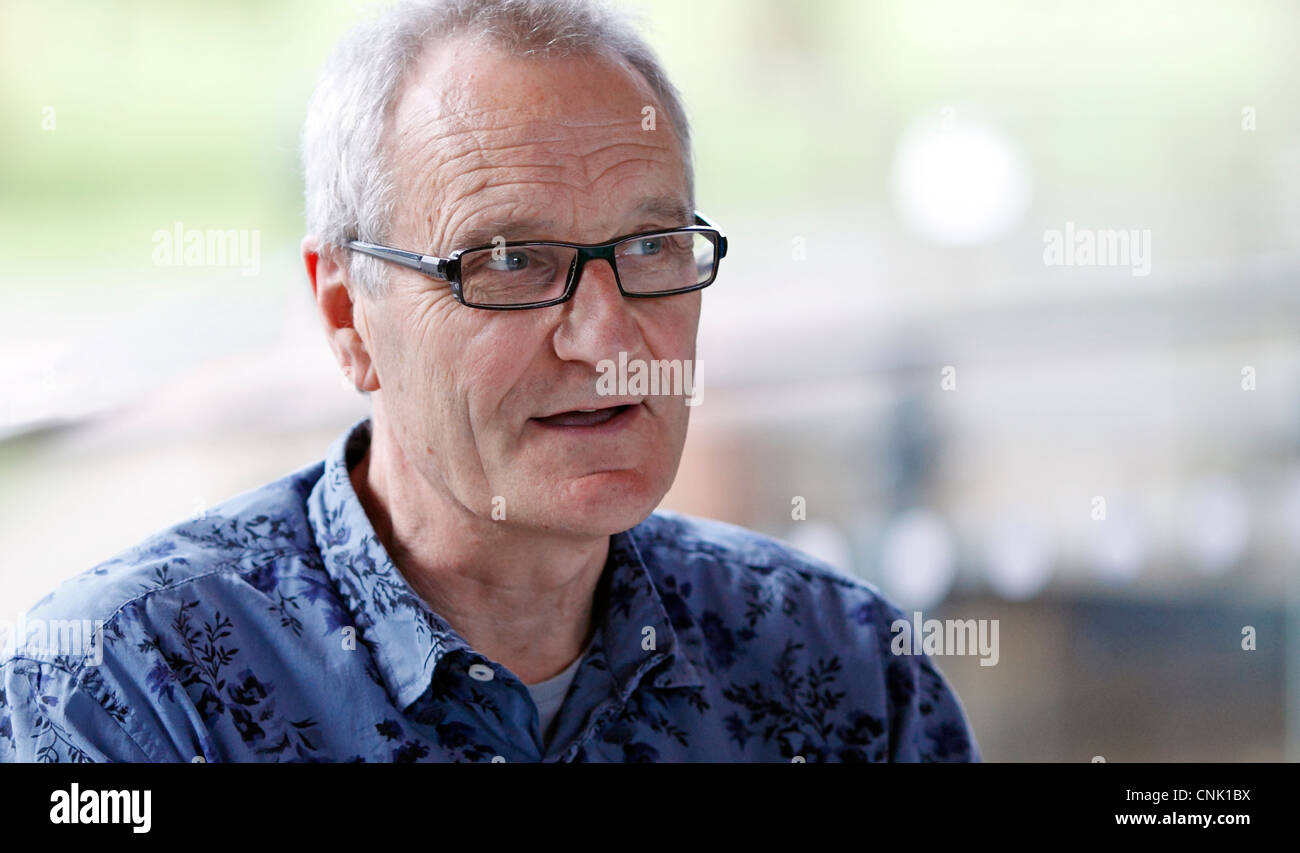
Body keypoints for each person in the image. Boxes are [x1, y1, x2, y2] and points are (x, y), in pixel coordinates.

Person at [0, 0, 979, 762]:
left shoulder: (844, 668)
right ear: (347, 316)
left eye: (649, 244)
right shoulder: (127, 688)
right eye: (509, 261)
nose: (606, 337)